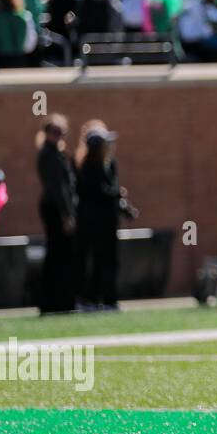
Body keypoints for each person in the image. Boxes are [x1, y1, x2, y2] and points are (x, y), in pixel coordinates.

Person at [75, 122, 135, 311]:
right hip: (94, 221)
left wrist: (125, 208)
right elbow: (98, 192)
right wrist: (116, 193)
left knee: (110, 261)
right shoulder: (88, 166)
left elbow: (113, 190)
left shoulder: (110, 164)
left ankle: (109, 299)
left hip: (109, 221)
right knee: (97, 261)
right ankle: (91, 299)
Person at [36, 114, 77, 313]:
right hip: (55, 209)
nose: (59, 136)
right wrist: (67, 214)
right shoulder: (48, 154)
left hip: (57, 207)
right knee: (58, 254)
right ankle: (55, 302)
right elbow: (57, 188)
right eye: (55, 132)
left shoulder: (55, 153)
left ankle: (60, 301)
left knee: (61, 255)